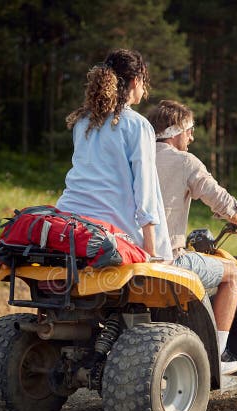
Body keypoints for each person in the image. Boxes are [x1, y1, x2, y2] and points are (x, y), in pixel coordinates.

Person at [148, 99, 237, 376]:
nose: (192, 137)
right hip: (168, 259)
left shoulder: (136, 157)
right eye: (189, 131)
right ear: (176, 132)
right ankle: (219, 354)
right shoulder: (184, 161)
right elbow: (220, 200)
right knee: (232, 273)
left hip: (131, 254)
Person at [55, 49, 171, 261]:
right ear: (136, 81)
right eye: (144, 82)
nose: (144, 88)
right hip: (113, 232)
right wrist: (152, 251)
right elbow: (145, 189)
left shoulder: (83, 122)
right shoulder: (137, 125)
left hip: (70, 222)